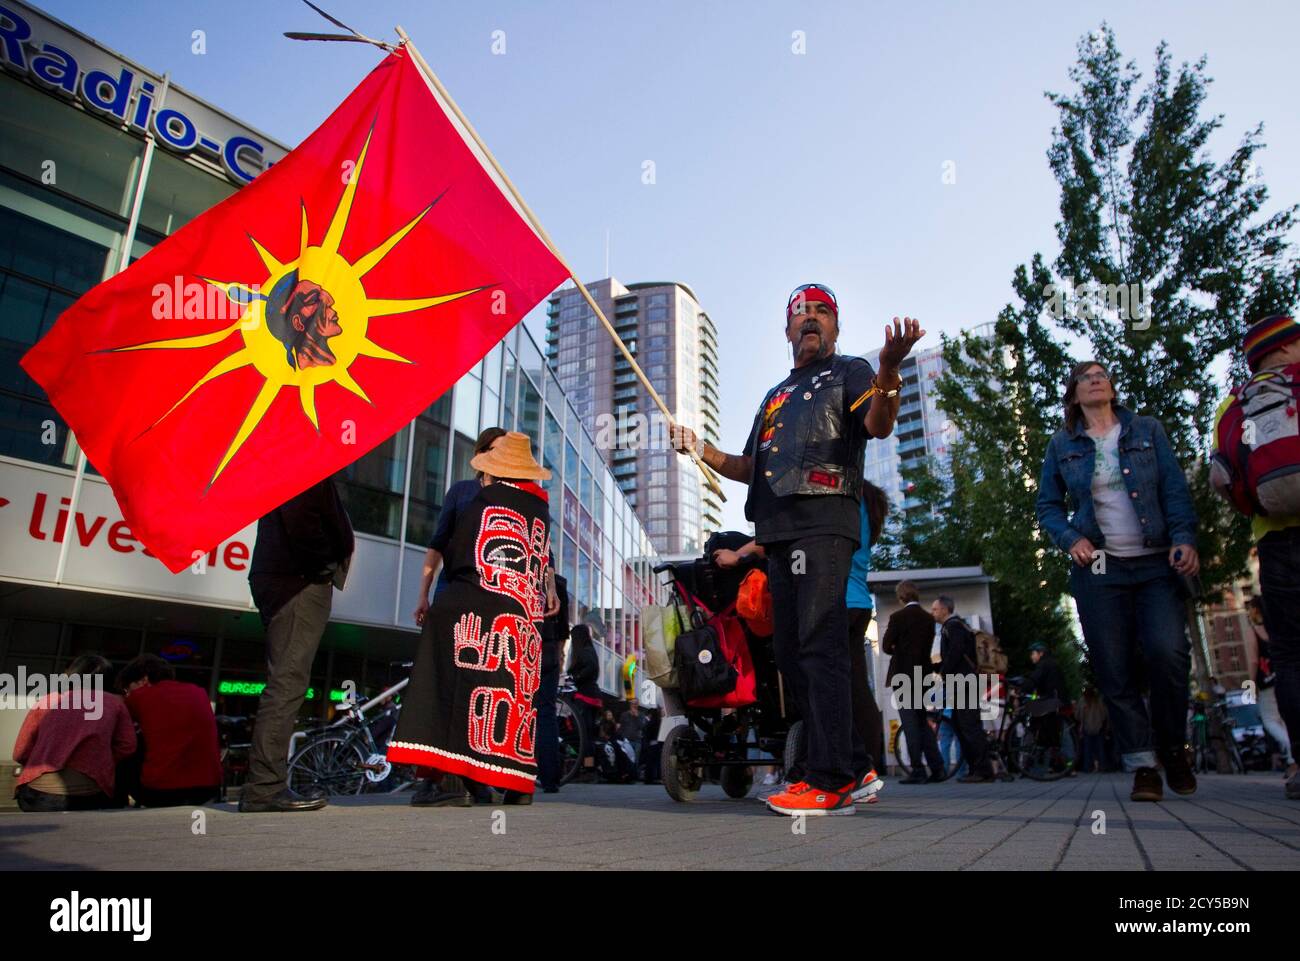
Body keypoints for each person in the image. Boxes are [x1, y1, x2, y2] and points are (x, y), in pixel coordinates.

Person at [674, 284, 922, 816]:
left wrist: (889, 374)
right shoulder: (775, 396)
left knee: (819, 644)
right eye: (801, 314)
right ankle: (854, 767)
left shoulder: (853, 372)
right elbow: (748, 468)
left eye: (821, 312)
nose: (810, 320)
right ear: (787, 330)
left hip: (824, 523)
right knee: (789, 653)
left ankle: (829, 780)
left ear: (835, 326)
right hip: (779, 533)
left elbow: (878, 424)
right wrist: (699, 448)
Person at [1036, 360, 1199, 803]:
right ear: (1073, 394)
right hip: (1101, 567)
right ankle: (1143, 766)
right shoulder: (1061, 444)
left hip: (1153, 561)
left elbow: (1174, 490)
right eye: (1086, 376)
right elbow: (1047, 506)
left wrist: (1184, 538)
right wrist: (1071, 538)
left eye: (1101, 374)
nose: (1096, 379)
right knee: (1115, 667)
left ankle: (1172, 747)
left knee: (1169, 654)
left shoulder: (1146, 430)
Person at [386, 432, 554, 807]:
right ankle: (514, 782)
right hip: (522, 611)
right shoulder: (539, 506)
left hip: (471, 601)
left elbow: (456, 550)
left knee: (452, 683)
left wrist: (431, 595)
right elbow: (541, 556)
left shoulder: (480, 498)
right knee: (511, 694)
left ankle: (444, 780)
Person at [1215, 317, 1300, 800]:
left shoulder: (1234, 404)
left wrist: (1256, 508)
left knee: (1291, 656)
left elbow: (1224, 476)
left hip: (1276, 541)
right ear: (1286, 347)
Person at [241, 476, 354, 813]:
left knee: (286, 680)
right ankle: (264, 788)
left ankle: (265, 785)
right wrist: (323, 566)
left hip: (287, 577)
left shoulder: (294, 461)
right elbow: (301, 517)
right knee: (287, 682)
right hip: (299, 581)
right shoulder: (307, 461)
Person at [12, 655, 136, 812]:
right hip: (90, 794)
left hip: (35, 795)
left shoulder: (47, 701)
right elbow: (128, 746)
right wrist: (100, 758)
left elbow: (20, 753)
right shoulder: (114, 704)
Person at [413, 427, 508, 626]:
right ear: (480, 454)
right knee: (444, 650)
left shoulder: (513, 497)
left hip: (492, 591)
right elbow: (438, 544)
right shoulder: (461, 491)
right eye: (494, 450)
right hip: (452, 584)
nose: (500, 456)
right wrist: (423, 594)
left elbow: (541, 547)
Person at [118, 654, 222, 807]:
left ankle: (114, 802)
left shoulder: (139, 696)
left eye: (127, 689)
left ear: (144, 680)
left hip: (161, 790)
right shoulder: (199, 692)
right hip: (208, 787)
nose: (128, 694)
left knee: (124, 747)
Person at [845, 481, 889, 802]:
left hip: (841, 598)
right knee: (857, 686)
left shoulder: (850, 500)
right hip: (859, 600)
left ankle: (858, 772)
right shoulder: (867, 510)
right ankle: (867, 771)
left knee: (837, 687)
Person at [882, 580, 944, 783]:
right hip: (923, 675)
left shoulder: (897, 617)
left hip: (903, 676)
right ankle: (938, 768)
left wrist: (897, 650)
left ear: (901, 597)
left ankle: (917, 770)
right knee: (922, 723)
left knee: (909, 723)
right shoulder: (928, 618)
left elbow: (885, 646)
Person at [932, 595, 995, 783]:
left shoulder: (954, 627)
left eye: (935, 609)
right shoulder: (953, 627)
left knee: (969, 726)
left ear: (945, 609)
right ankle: (975, 769)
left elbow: (956, 652)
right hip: (961, 683)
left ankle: (983, 770)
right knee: (961, 726)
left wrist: (943, 670)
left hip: (964, 683)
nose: (933, 612)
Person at [1246, 598, 1295, 779]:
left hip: (1266, 683)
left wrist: (1250, 686)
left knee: (1270, 721)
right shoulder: (1276, 626)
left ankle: (1291, 748)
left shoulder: (1254, 630)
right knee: (1284, 720)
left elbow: (1252, 660)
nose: (1247, 613)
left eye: (1249, 609)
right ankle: (1292, 760)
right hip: (1285, 677)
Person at [536, 573, 570, 793]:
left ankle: (510, 773)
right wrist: (559, 657)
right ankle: (550, 778)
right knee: (546, 713)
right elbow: (563, 627)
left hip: (525, 644)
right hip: (549, 649)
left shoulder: (523, 571)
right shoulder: (558, 584)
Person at [568, 623, 602, 782]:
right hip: (593, 696)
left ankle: (588, 769)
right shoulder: (591, 650)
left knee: (583, 735)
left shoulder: (584, 652)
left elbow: (590, 667)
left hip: (585, 696)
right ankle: (590, 768)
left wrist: (577, 676)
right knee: (588, 734)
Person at [1078, 687, 1109, 774]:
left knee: (1087, 749)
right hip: (1099, 727)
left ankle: (1087, 767)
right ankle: (1102, 766)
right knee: (1100, 748)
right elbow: (1104, 714)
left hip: (1087, 728)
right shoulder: (1099, 701)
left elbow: (1078, 715)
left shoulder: (1082, 701)